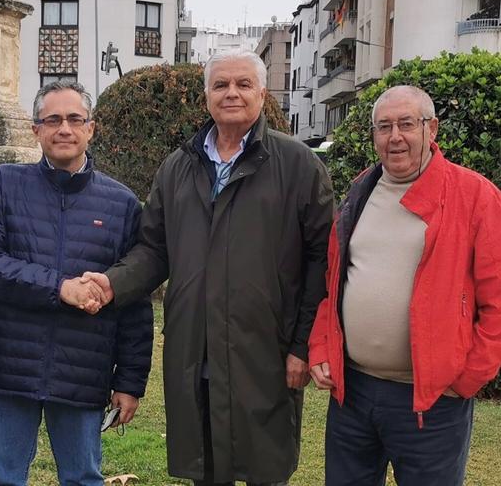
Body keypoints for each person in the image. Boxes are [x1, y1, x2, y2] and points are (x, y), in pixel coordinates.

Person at [77, 50, 334, 485]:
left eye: (242, 84)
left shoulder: (298, 166)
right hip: (195, 350)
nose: (231, 93)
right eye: (220, 85)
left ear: (262, 92)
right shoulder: (179, 168)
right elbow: (154, 249)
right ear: (206, 96)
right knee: (206, 471)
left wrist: (303, 345)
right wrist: (112, 283)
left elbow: (321, 263)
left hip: (265, 354)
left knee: (264, 468)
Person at [0, 80, 154, 486]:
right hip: (9, 367)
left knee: (84, 478)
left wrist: (130, 381)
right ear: (36, 129)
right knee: (3, 477)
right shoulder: (1, 185)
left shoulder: (121, 205)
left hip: (84, 369)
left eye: (74, 119)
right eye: (52, 119)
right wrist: (61, 288)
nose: (63, 128)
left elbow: (134, 298)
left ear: (90, 128)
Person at [308, 85, 501, 486]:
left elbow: (498, 303)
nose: (395, 136)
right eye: (384, 126)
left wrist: (464, 379)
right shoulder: (362, 190)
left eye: (407, 124)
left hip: (431, 403)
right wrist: (321, 345)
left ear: (432, 129)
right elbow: (335, 282)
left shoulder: (475, 197)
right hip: (354, 394)